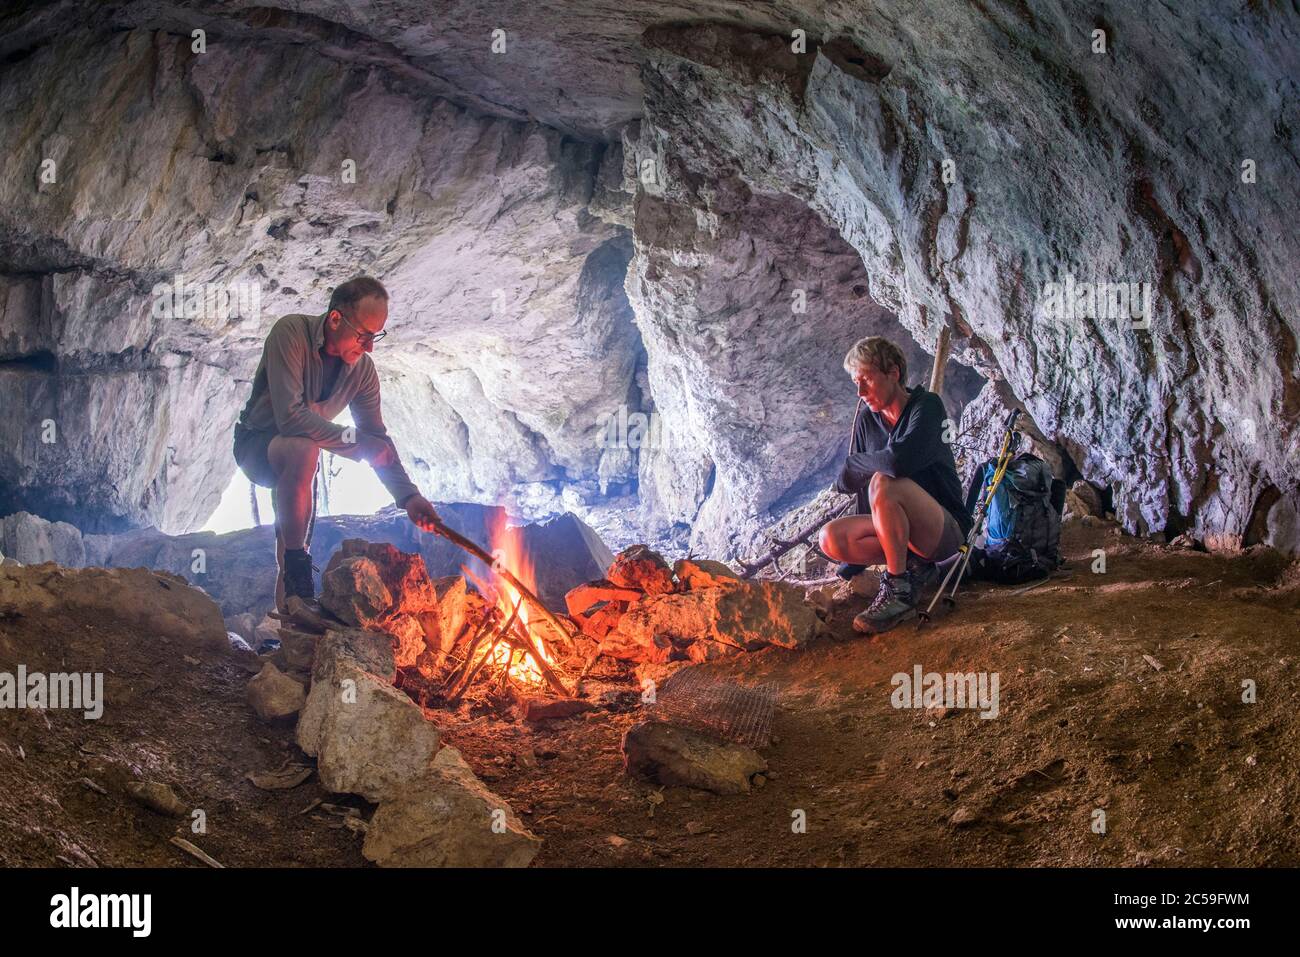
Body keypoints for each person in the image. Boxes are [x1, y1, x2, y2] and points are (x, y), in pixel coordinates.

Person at [232, 276, 440, 608]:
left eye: (376, 336)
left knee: (294, 531)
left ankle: (294, 611)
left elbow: (377, 438)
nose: (369, 347)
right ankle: (299, 577)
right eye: (364, 335)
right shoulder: (291, 333)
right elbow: (291, 418)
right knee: (304, 449)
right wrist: (358, 445)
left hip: (300, 462)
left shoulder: (362, 372)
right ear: (334, 319)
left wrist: (408, 496)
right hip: (257, 446)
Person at [818, 336, 972, 633]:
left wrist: (854, 464)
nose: (860, 392)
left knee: (885, 482)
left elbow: (896, 463)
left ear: (893, 373)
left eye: (866, 380)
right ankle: (914, 569)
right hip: (902, 535)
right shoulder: (867, 420)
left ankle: (898, 589)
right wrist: (854, 563)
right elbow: (858, 487)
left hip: (944, 531)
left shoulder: (926, 406)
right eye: (856, 383)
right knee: (831, 537)